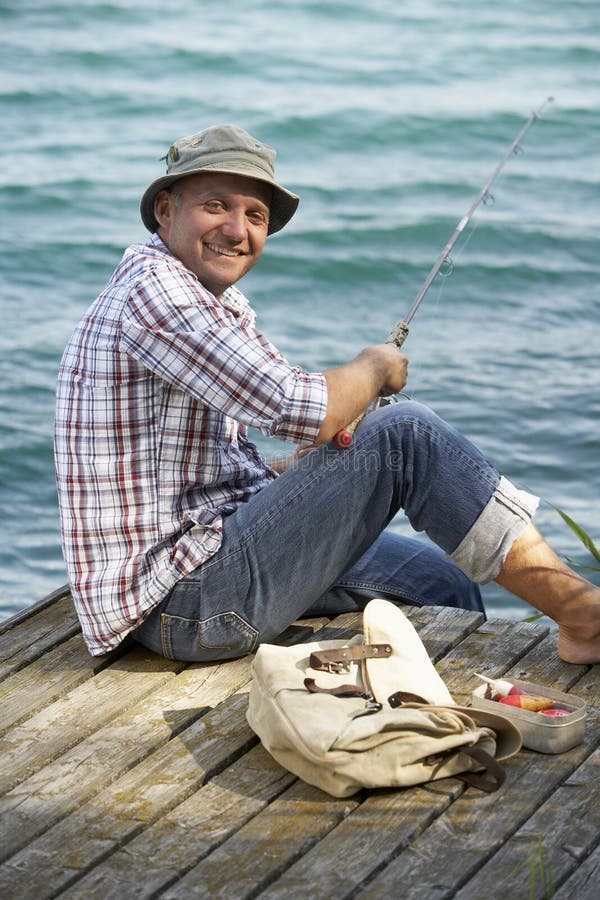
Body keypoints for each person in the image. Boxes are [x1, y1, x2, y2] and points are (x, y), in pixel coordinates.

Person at [54, 124, 600, 665]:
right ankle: (585, 615)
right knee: (404, 433)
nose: (236, 230)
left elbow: (200, 468)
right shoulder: (156, 290)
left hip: (207, 557)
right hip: (180, 603)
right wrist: (373, 367)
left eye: (255, 216)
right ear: (165, 210)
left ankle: (428, 699)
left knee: (439, 581)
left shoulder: (203, 298)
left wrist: (300, 468)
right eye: (216, 205)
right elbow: (298, 406)